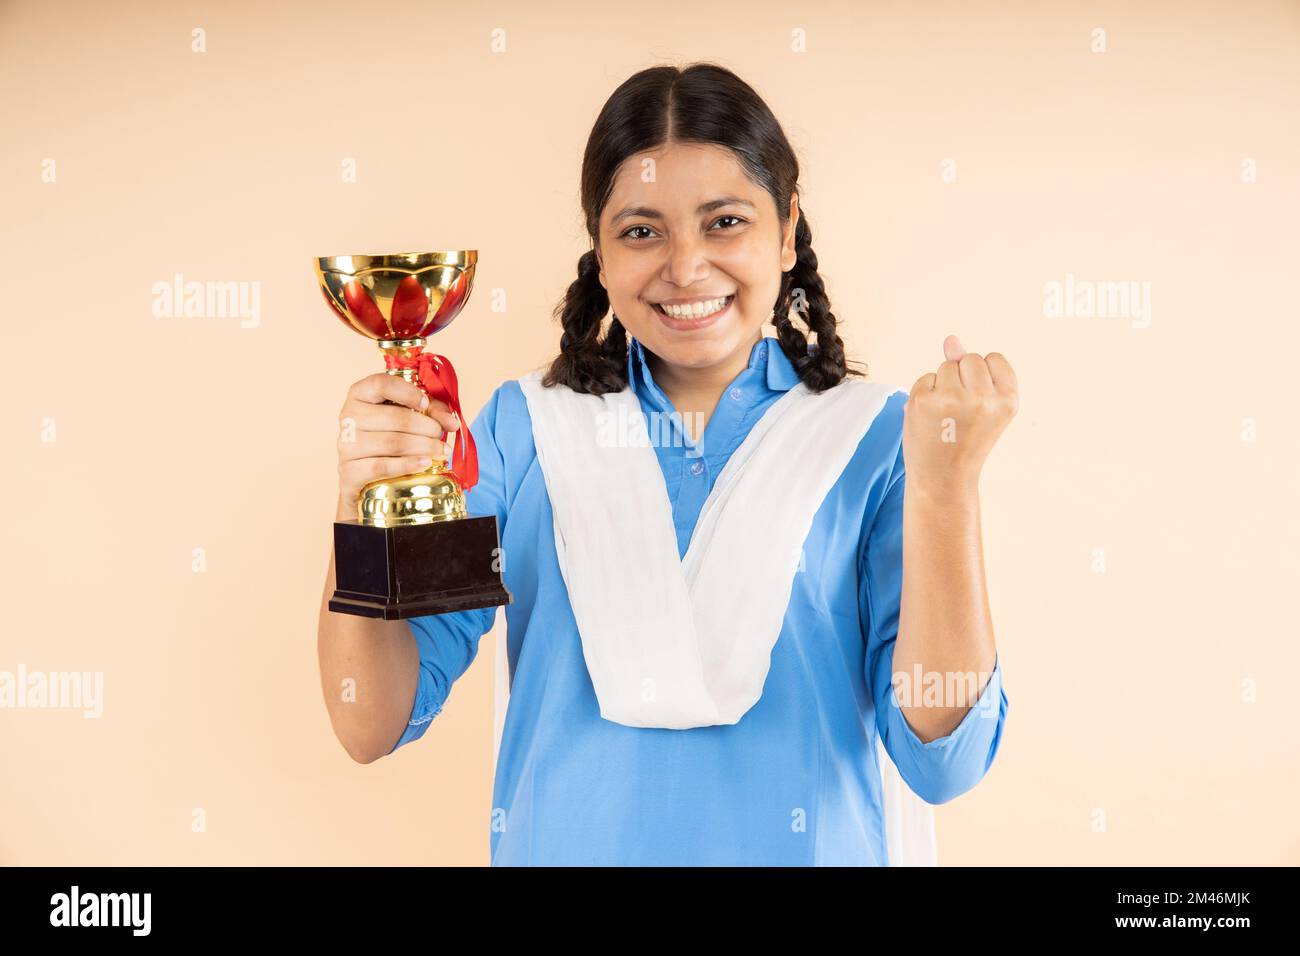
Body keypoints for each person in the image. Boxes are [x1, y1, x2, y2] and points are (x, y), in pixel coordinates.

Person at [317, 62, 1017, 866]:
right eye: (642, 230)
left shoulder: (877, 439)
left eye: (725, 222)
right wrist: (359, 501)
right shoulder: (524, 432)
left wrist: (946, 488)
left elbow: (945, 757)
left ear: (787, 231)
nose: (686, 267)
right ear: (601, 253)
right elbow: (370, 717)